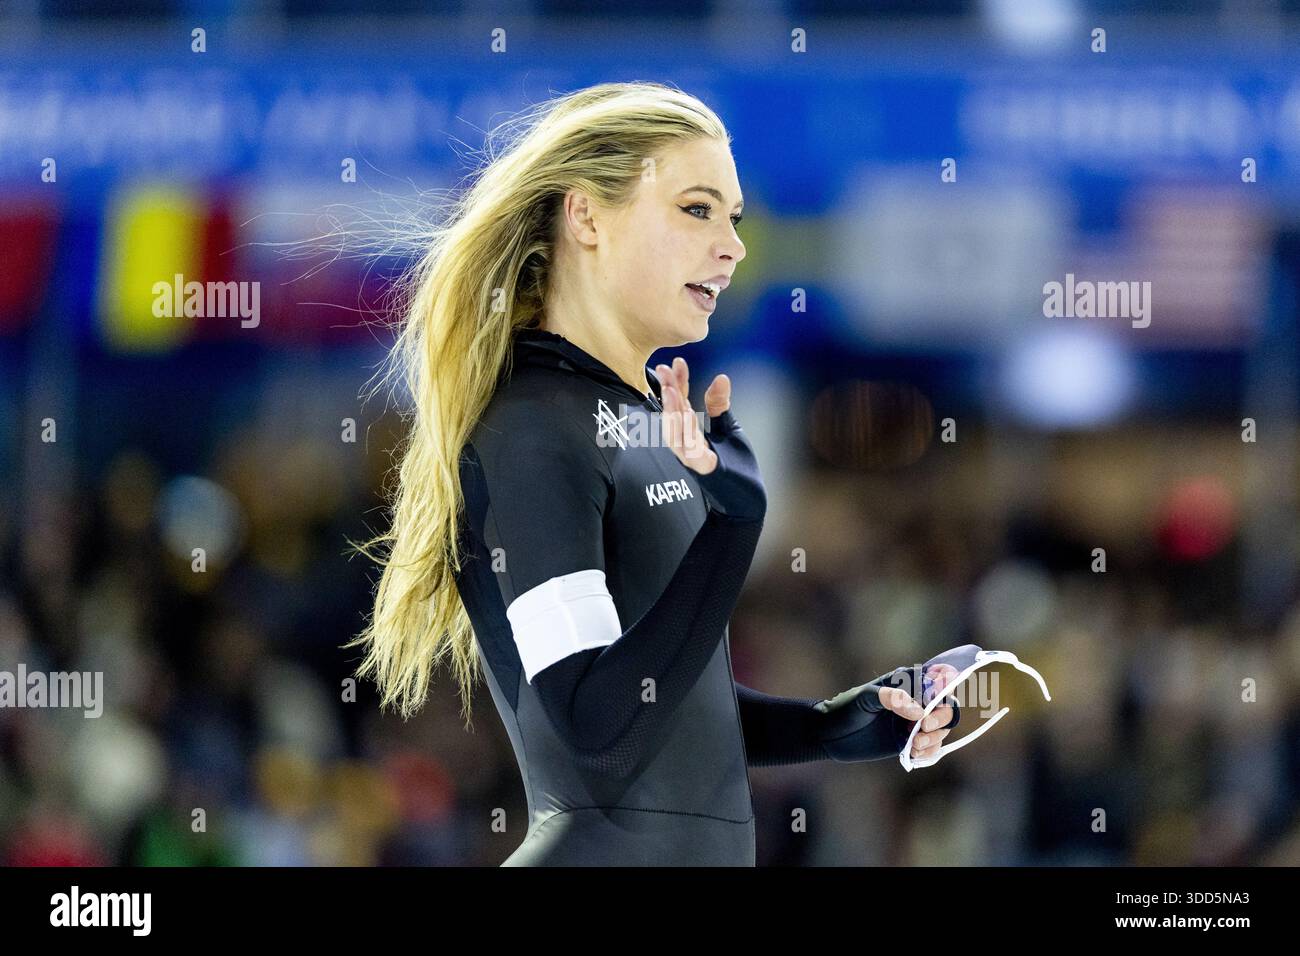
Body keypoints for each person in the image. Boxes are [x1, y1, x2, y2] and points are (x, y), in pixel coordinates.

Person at [349, 81, 959, 866]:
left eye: (733, 218)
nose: (734, 246)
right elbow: (596, 729)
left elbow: (668, 706)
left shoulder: (641, 420)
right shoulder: (532, 430)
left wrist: (829, 726)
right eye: (697, 209)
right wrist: (733, 528)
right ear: (586, 217)